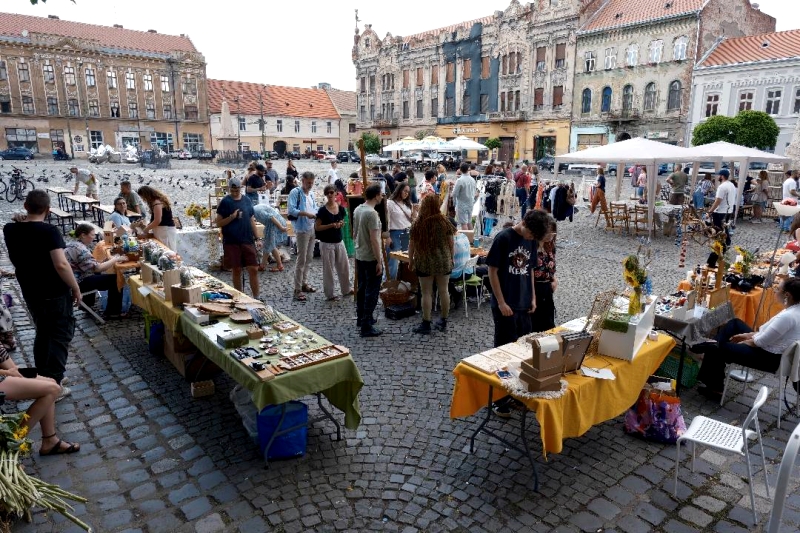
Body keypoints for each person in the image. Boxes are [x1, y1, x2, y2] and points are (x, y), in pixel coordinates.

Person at [3, 190, 81, 387]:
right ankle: (53, 383)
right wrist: (76, 287)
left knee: (44, 332)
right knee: (59, 335)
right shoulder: (49, 232)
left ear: (25, 206)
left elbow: (22, 227)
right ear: (48, 209)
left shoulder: (10, 229)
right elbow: (61, 264)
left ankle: (44, 376)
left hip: (30, 290)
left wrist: (21, 219)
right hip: (53, 291)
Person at [695, 278, 800, 401]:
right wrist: (748, 335)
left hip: (769, 358)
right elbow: (768, 334)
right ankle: (711, 350)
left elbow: (760, 342)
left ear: (787, 295)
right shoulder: (795, 309)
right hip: (772, 350)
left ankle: (715, 388)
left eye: (778, 289)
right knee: (734, 323)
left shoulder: (788, 317)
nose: (775, 291)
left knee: (717, 348)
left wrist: (743, 341)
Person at [487, 209, 556, 347]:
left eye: (534, 236)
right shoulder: (503, 238)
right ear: (523, 223)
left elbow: (530, 268)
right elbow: (492, 271)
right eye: (530, 234)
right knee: (504, 346)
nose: (531, 238)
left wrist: (533, 297)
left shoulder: (531, 240)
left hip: (524, 303)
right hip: (506, 304)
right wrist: (501, 302)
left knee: (523, 344)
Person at [0, 353, 80, 455]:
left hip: (5, 373)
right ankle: (12, 445)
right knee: (52, 390)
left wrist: (15, 371)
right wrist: (8, 372)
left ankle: (50, 441)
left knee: (51, 382)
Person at [409, 195, 455, 334]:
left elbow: (411, 245)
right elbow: (451, 244)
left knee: (426, 293)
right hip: (443, 261)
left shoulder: (417, 223)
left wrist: (411, 260)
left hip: (424, 261)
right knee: (443, 291)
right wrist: (451, 258)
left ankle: (426, 323)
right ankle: (443, 320)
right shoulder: (445, 222)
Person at [65, 223, 126, 319]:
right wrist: (116, 259)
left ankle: (87, 304)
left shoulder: (73, 244)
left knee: (99, 273)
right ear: (83, 235)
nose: (94, 237)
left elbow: (90, 264)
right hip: (78, 282)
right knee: (116, 280)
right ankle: (113, 312)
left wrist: (108, 260)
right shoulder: (81, 249)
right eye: (92, 235)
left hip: (73, 279)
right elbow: (98, 268)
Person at [215, 178, 260, 298]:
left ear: (241, 188)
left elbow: (251, 220)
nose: (235, 192)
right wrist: (231, 217)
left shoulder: (246, 200)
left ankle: (256, 297)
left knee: (253, 268)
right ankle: (240, 297)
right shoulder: (225, 202)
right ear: (230, 189)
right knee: (237, 270)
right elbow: (218, 223)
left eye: (237, 190)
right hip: (231, 241)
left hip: (247, 239)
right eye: (233, 190)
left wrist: (257, 238)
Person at [353, 184, 384, 337]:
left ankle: (361, 317)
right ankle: (366, 324)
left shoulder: (358, 209)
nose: (382, 196)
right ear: (376, 195)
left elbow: (354, 232)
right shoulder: (372, 214)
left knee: (362, 288)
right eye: (381, 194)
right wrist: (379, 261)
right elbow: (375, 240)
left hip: (360, 254)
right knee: (371, 291)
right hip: (370, 256)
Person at [315, 185, 353, 301]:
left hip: (339, 241)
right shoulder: (322, 210)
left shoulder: (341, 208)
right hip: (326, 243)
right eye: (327, 193)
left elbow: (343, 221)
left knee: (344, 267)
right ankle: (330, 294)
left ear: (336, 193)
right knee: (329, 269)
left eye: (331, 192)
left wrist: (341, 224)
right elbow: (317, 227)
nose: (330, 195)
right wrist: (331, 225)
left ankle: (346, 289)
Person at [288, 171, 318, 301]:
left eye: (312, 183)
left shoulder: (311, 194)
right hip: (301, 229)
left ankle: (304, 283)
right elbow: (291, 210)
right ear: (303, 181)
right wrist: (306, 214)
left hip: (311, 228)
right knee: (301, 258)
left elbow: (315, 208)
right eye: (308, 183)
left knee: (309, 258)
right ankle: (297, 288)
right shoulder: (295, 192)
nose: (310, 185)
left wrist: (317, 214)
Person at [531, 219, 558, 332]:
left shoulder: (550, 247)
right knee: (535, 324)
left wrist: (555, 280)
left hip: (547, 289)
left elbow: (551, 268)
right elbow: (530, 272)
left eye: (553, 232)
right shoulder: (532, 247)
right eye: (549, 232)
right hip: (535, 288)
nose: (551, 235)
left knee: (548, 324)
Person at [387, 182, 415, 280]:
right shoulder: (389, 203)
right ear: (399, 190)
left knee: (407, 259)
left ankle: (403, 283)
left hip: (407, 233)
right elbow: (387, 221)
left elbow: (412, 219)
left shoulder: (408, 203)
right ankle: (390, 284)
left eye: (408, 192)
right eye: (405, 191)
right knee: (393, 261)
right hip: (395, 233)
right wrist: (387, 237)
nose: (406, 193)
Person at [138, 186, 178, 251]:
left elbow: (157, 220)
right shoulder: (158, 201)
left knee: (167, 250)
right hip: (163, 229)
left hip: (164, 230)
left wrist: (146, 229)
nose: (143, 199)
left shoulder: (157, 203)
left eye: (143, 197)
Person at [253, 203, 288, 273]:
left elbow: (271, 217)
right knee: (269, 244)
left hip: (274, 224)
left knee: (270, 244)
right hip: (274, 223)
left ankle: (277, 265)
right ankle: (264, 264)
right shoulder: (255, 209)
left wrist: (281, 227)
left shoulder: (257, 211)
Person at [709, 169, 736, 246]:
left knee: (718, 229)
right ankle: (727, 243)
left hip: (721, 211)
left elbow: (718, 201)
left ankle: (721, 245)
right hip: (729, 210)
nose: (717, 177)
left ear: (722, 176)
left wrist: (710, 211)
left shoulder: (722, 187)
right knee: (724, 228)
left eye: (719, 175)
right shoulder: (732, 185)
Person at [334, 178, 355, 257]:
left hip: (342, 213)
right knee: (348, 232)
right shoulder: (345, 192)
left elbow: (338, 204)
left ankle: (344, 251)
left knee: (343, 231)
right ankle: (350, 251)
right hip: (347, 212)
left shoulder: (339, 194)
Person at [452, 163, 477, 230]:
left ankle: (466, 239)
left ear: (460, 170)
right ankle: (471, 238)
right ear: (468, 169)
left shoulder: (460, 180)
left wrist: (454, 202)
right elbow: (475, 191)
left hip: (462, 203)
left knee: (463, 223)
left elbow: (454, 193)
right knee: (469, 222)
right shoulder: (472, 180)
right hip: (470, 202)